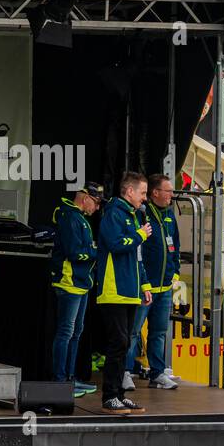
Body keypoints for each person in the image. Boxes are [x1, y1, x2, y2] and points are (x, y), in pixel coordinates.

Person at [95, 171, 152, 414]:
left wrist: (145, 285)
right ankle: (109, 396)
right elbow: (116, 244)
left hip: (130, 289)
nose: (145, 198)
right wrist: (140, 235)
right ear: (129, 191)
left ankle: (119, 394)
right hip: (113, 289)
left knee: (126, 342)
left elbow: (137, 256)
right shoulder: (113, 213)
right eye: (142, 193)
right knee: (118, 342)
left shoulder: (134, 215)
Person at [125, 173, 180, 390]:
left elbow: (175, 245)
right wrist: (143, 280)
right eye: (168, 191)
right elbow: (136, 250)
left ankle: (157, 373)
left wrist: (174, 272)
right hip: (144, 287)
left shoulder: (170, 215)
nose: (172, 195)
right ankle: (125, 371)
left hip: (164, 287)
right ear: (155, 193)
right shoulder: (142, 213)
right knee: (133, 331)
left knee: (159, 333)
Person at [50, 182, 104, 398]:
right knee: (66, 331)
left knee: (76, 332)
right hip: (68, 282)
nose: (97, 208)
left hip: (82, 282)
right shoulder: (70, 216)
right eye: (96, 202)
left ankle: (70, 379)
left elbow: (84, 250)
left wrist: (91, 250)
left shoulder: (79, 218)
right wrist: (95, 251)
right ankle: (60, 380)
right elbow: (74, 253)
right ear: (84, 198)